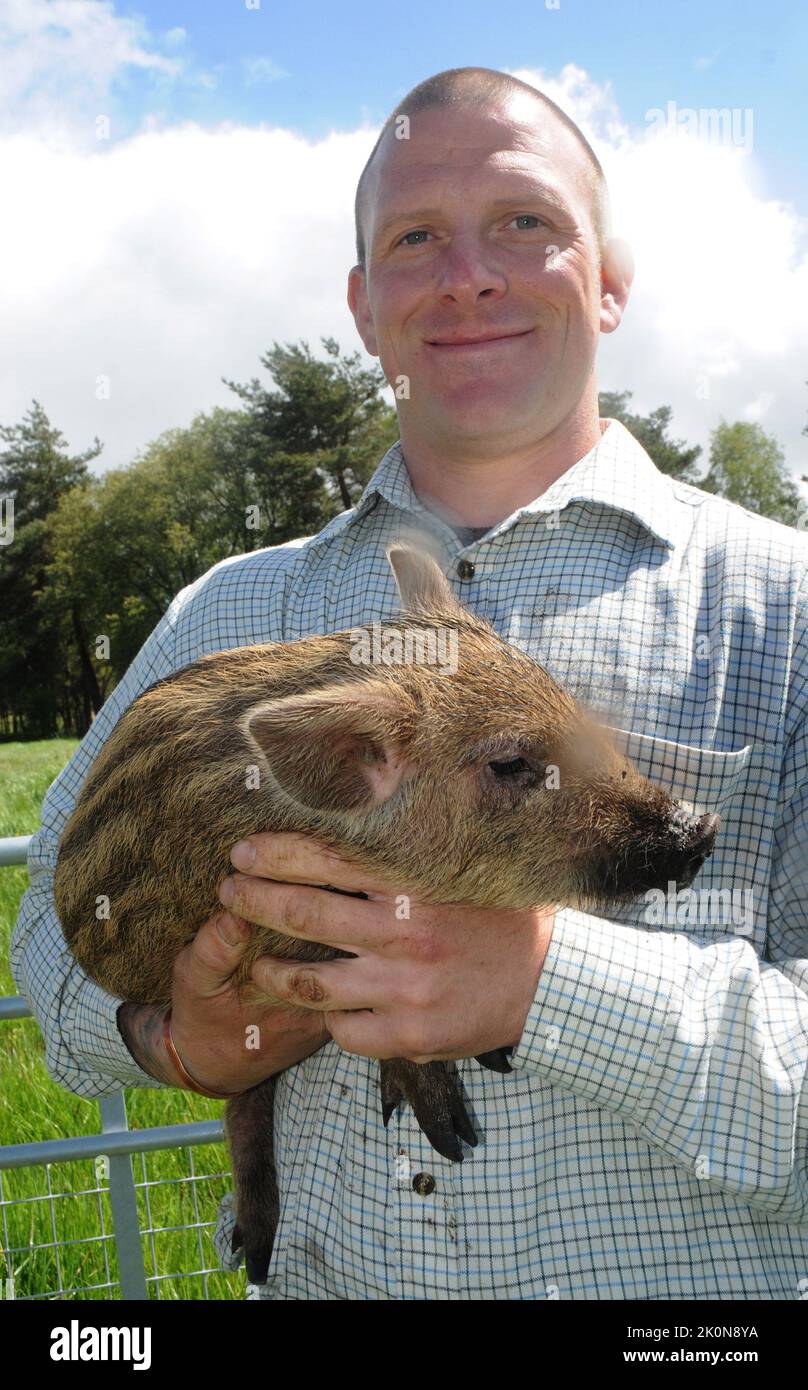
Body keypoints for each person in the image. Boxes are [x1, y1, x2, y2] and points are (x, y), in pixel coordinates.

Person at [11, 66, 808, 1301]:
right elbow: (50, 953)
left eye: (525, 223)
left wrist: (546, 983)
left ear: (609, 276)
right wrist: (176, 1038)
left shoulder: (786, 609)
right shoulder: (225, 616)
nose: (469, 273)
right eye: (415, 238)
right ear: (364, 305)